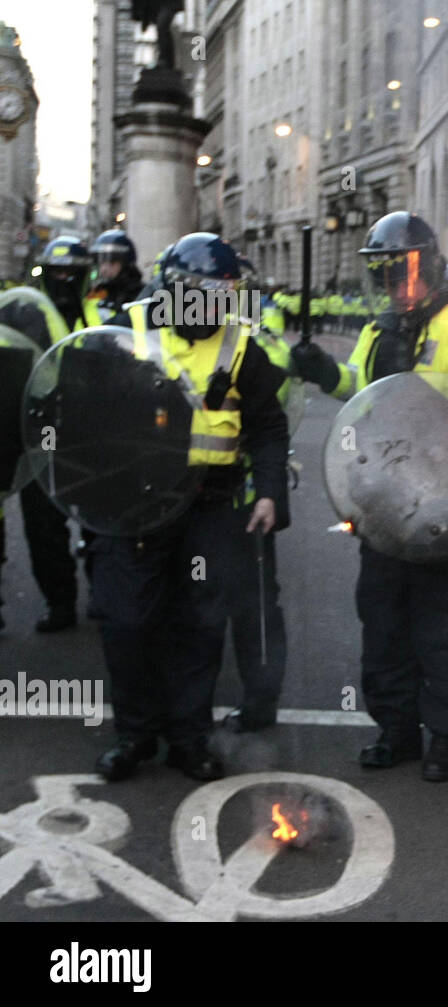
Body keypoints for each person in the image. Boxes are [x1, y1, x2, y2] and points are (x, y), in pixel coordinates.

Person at [292, 211, 448, 782]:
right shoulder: (378, 329)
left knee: (444, 627)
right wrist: (325, 375)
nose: (394, 284)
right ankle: (397, 729)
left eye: (401, 270)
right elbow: (362, 396)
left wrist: (413, 396)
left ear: (429, 266)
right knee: (384, 621)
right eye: (384, 274)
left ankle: (447, 739)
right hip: (385, 503)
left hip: (447, 504)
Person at [92, 232, 289, 782]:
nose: (220, 308)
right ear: (175, 291)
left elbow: (269, 426)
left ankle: (188, 738)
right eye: (210, 296)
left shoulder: (240, 345)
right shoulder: (121, 333)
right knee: (127, 621)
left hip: (209, 506)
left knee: (200, 625)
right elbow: (79, 414)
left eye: (228, 296)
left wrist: (269, 490)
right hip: (135, 505)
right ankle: (135, 734)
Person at [221, 254, 295, 734]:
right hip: (196, 490)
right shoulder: (169, 324)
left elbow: (278, 382)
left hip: (246, 483)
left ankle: (261, 699)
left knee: (255, 602)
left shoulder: (254, 325)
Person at [0, 286, 71, 632]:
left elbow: (51, 370)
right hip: (16, 431)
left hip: (35, 429)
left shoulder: (25, 308)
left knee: (43, 524)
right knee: (43, 524)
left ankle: (61, 602)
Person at [80, 229, 144, 329]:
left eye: (111, 262)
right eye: (101, 263)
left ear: (126, 264)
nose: (104, 269)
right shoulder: (93, 297)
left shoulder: (143, 296)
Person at [36, 236, 93, 332]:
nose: (63, 278)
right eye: (57, 272)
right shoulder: (32, 313)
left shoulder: (100, 312)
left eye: (70, 272)